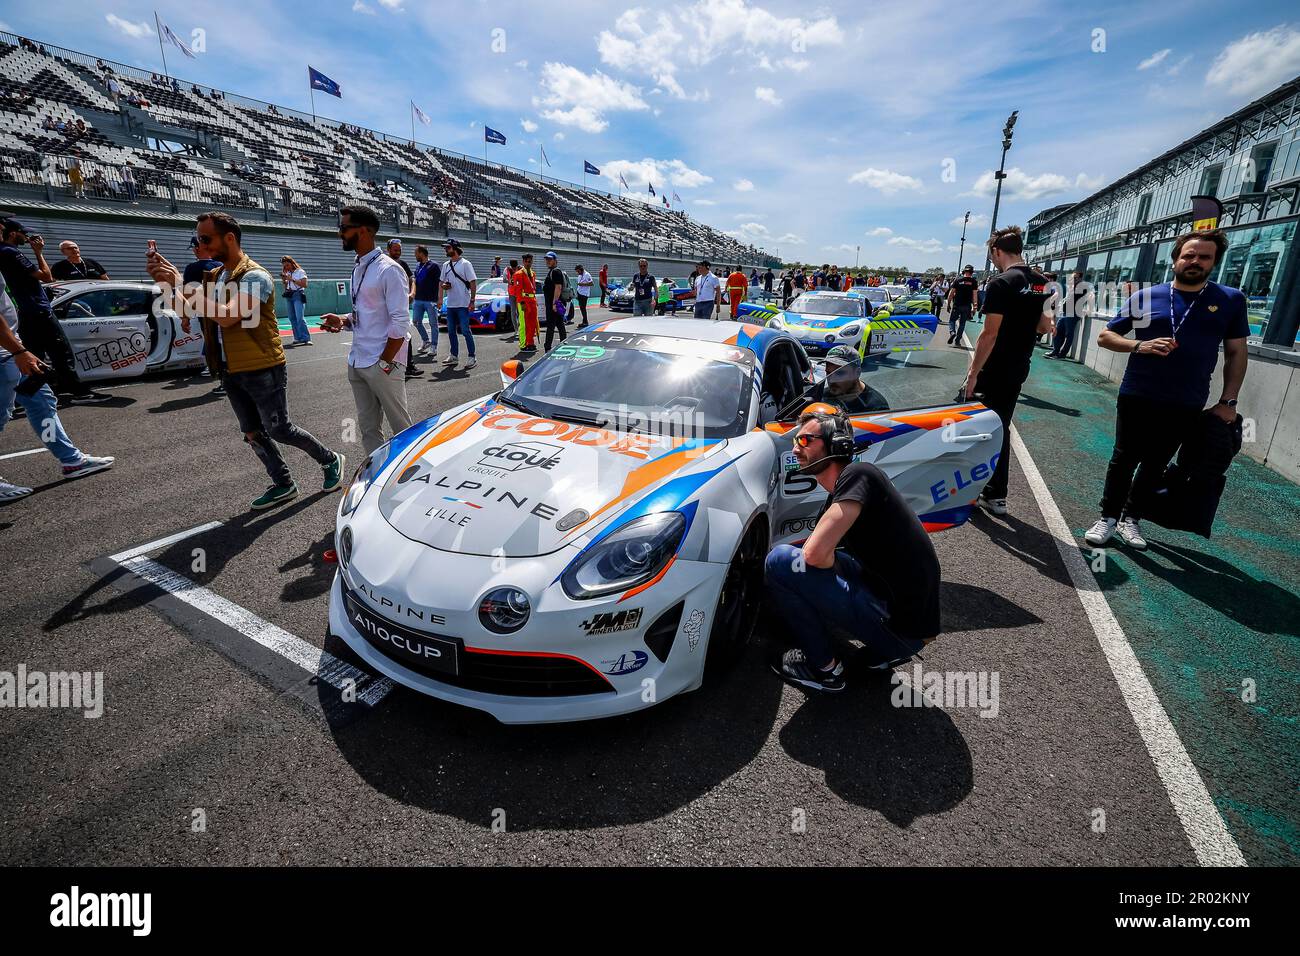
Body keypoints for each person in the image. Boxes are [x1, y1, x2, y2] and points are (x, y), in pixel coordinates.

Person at [148, 212, 345, 510]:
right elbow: (186, 311)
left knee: (280, 429)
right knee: (252, 432)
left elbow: (228, 316)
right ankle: (283, 484)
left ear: (229, 238)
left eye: (205, 239)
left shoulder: (255, 275)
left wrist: (181, 283)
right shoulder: (214, 276)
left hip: (263, 366)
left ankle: (330, 460)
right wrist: (167, 285)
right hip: (230, 368)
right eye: (197, 239)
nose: (199, 244)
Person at [1084, 230, 1249, 551]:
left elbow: (1236, 353)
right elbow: (1106, 337)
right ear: (1176, 259)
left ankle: (1132, 517)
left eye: (1204, 257)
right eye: (1189, 255)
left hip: (1187, 400)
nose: (1195, 262)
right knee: (1124, 458)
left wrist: (1229, 400)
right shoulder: (1146, 296)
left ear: (1214, 262)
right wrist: (1139, 345)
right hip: (1138, 394)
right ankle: (1108, 517)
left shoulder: (1229, 300)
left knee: (1157, 462)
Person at [766, 410, 940, 691]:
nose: (795, 448)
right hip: (909, 625)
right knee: (824, 560)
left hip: (901, 629)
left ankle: (825, 671)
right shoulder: (849, 488)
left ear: (836, 445)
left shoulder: (859, 474)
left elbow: (813, 556)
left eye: (805, 440)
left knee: (781, 562)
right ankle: (880, 654)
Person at [960, 227, 1053, 516]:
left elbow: (989, 334)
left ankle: (971, 491)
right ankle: (995, 494)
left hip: (994, 368)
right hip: (1018, 367)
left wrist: (973, 373)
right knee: (999, 426)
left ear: (997, 252)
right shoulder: (1041, 281)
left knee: (971, 426)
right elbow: (1044, 326)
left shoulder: (1002, 282)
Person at [0, 276, 114, 501]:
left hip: (12, 354)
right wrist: (18, 351)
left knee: (42, 403)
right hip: (6, 356)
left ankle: (72, 460)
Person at [318, 205, 415, 454]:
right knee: (369, 429)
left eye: (343, 228)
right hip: (358, 359)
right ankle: (377, 477)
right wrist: (343, 320)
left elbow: (400, 322)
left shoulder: (389, 269)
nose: (340, 233)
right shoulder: (359, 266)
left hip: (382, 363)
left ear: (362, 231)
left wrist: (384, 362)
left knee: (402, 429)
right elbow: (368, 313)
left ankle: (413, 478)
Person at [0, 218, 105, 404]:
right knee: (61, 353)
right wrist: (38, 252)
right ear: (13, 233)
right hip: (37, 310)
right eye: (24, 233)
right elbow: (47, 276)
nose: (27, 236)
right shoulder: (11, 252)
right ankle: (78, 393)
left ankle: (23, 398)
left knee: (35, 356)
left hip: (26, 311)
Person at [808, 345, 886, 414]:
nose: (832, 379)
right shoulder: (822, 396)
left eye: (840, 373)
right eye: (828, 373)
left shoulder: (876, 407)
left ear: (857, 373)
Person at [438, 237, 477, 369]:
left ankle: (472, 357)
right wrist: (443, 290)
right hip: (451, 304)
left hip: (463, 303)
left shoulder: (465, 264)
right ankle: (454, 356)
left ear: (455, 249)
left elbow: (472, 282)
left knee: (466, 331)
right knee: (450, 331)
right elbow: (441, 282)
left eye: (448, 248)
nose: (445, 250)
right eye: (445, 248)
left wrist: (472, 300)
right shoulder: (445, 265)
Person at [1046, 271, 1089, 359]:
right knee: (1057, 332)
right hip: (1065, 313)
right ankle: (1055, 351)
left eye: (1075, 278)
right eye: (1072, 278)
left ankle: (1062, 354)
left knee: (1068, 335)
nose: (1073, 280)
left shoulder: (1082, 288)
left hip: (1073, 314)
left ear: (1080, 279)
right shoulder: (1072, 287)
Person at [411, 244, 440, 360]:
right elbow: (415, 280)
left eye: (416, 253)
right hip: (418, 299)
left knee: (433, 324)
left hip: (430, 300)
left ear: (421, 253)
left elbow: (439, 283)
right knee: (416, 321)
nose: (415, 255)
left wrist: (438, 299)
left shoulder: (434, 266)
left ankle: (434, 346)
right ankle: (426, 341)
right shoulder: (418, 266)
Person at [280, 255, 311, 347]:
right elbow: (286, 287)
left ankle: (306, 338)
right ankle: (297, 338)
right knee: (292, 318)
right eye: (284, 266)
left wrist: (292, 279)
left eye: (287, 265)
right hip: (289, 295)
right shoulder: (287, 273)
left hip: (298, 294)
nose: (286, 267)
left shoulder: (300, 272)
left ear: (292, 263)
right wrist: (284, 281)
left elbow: (305, 284)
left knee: (299, 317)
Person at [511, 253, 538, 352]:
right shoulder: (518, 274)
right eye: (526, 261)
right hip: (524, 301)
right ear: (523, 262)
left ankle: (530, 342)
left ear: (532, 261)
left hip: (532, 300)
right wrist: (521, 303)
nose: (528, 263)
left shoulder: (533, 273)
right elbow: (517, 290)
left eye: (529, 261)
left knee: (532, 323)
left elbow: (533, 288)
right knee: (524, 324)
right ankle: (523, 345)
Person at [947, 264, 979, 345]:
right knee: (962, 323)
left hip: (957, 305)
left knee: (952, 320)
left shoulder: (958, 280)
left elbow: (951, 293)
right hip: (966, 306)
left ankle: (952, 332)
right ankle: (957, 341)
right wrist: (975, 307)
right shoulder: (974, 282)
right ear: (971, 273)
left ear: (964, 271)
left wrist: (948, 303)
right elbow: (975, 295)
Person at [542, 251, 567, 352]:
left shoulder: (555, 272)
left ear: (555, 261)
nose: (548, 261)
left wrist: (554, 303)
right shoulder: (553, 271)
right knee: (560, 325)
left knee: (551, 326)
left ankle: (547, 347)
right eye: (547, 259)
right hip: (555, 304)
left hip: (554, 304)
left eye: (550, 259)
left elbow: (558, 287)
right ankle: (564, 343)